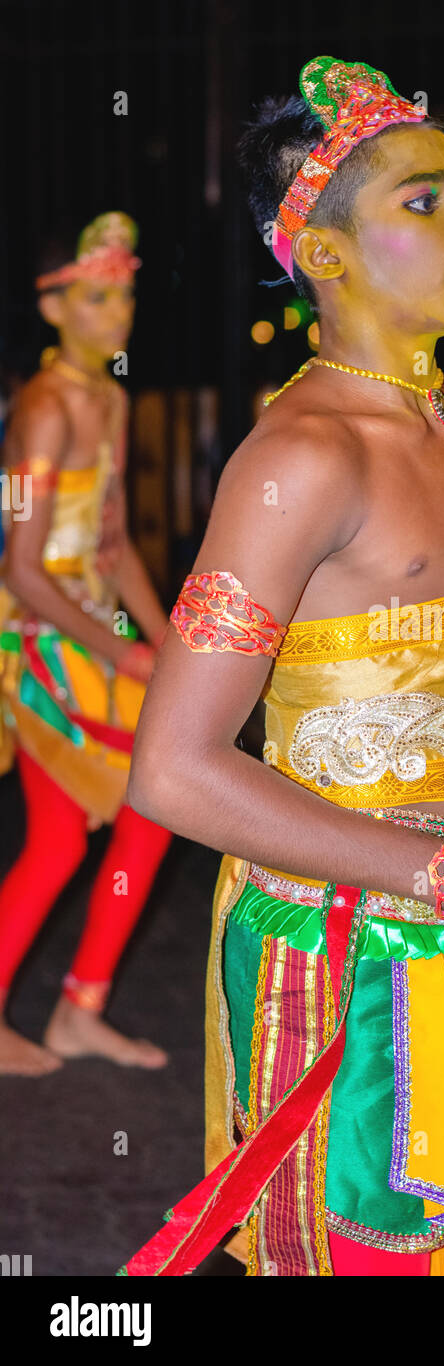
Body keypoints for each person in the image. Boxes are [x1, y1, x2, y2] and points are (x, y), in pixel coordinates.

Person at [121, 57, 444, 1279]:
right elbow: (175, 773)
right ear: (321, 251)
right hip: (340, 966)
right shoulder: (296, 459)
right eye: (422, 200)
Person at [0, 212, 173, 1075]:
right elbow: (24, 565)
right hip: (41, 640)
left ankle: (80, 1006)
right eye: (99, 297)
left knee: (144, 813)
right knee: (69, 838)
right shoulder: (42, 407)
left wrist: (168, 641)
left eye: (126, 294)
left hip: (93, 636)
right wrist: (122, 653)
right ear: (55, 307)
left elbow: (113, 546)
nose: (120, 313)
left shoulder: (111, 397)